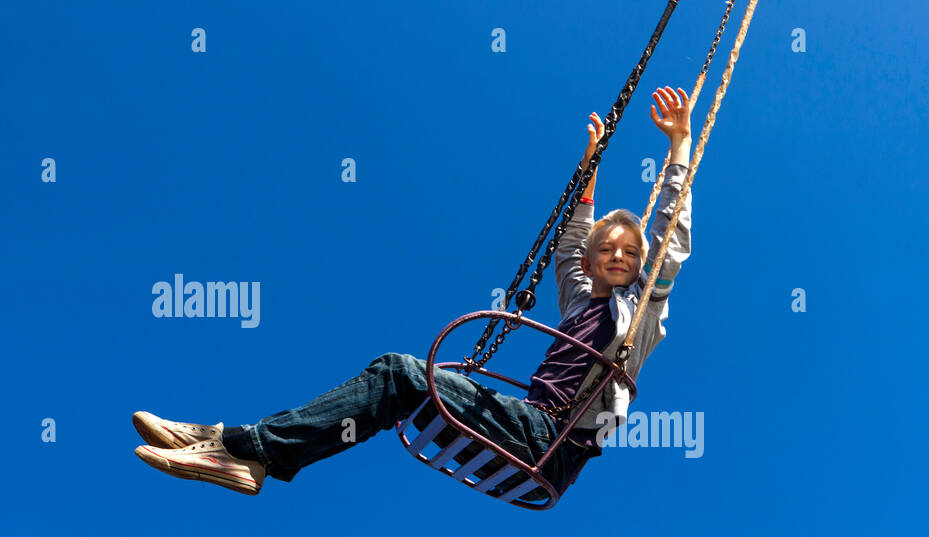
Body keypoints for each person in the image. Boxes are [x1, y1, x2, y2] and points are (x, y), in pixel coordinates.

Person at [132, 87, 694, 501]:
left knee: (402, 374)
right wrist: (590, 167)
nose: (620, 257)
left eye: (630, 253)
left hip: (550, 440)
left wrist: (679, 144)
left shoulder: (640, 312)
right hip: (526, 426)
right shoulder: (579, 300)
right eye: (609, 250)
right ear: (595, 261)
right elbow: (573, 238)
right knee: (393, 377)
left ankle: (247, 447)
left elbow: (671, 236)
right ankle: (231, 445)